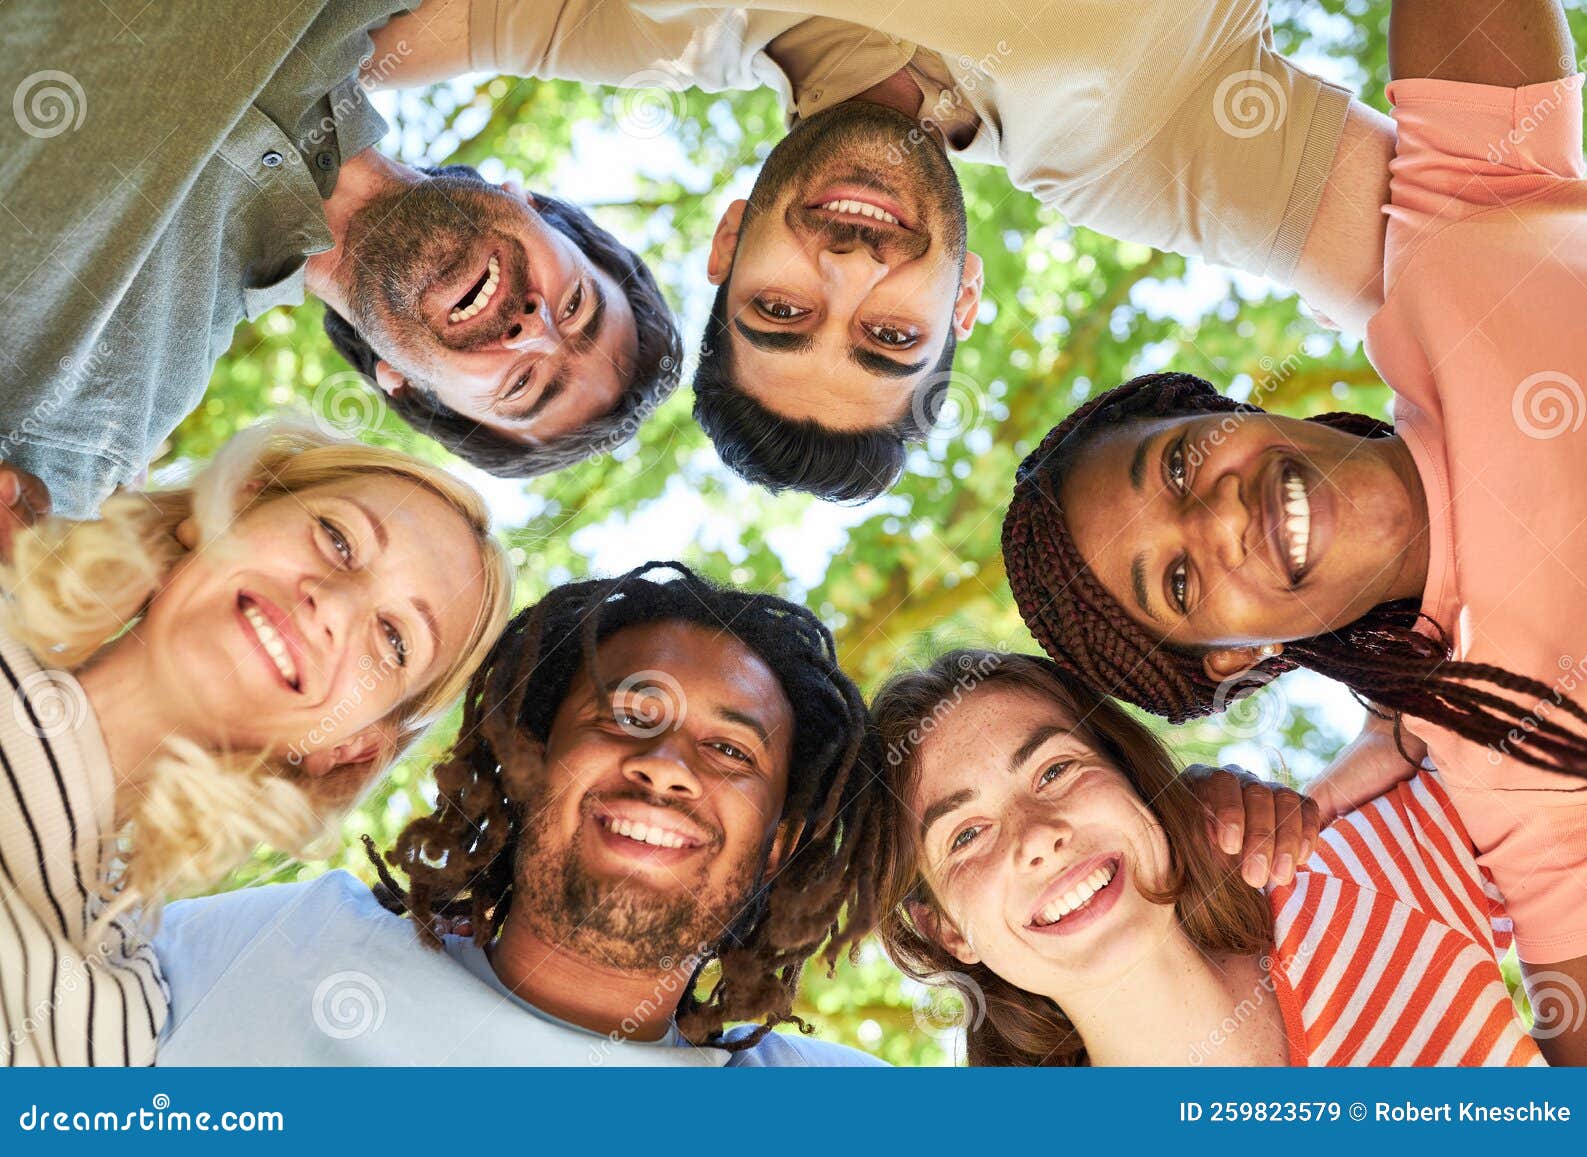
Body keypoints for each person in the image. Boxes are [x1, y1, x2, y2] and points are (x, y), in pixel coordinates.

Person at [1000, 0, 1587, 1063]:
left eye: (1178, 463)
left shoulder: (1445, 254)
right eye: (1178, 583)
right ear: (1239, 656)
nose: (1216, 517)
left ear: (1229, 409)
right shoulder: (1509, 757)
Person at [370, 0, 1395, 501]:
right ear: (963, 302)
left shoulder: (658, 26)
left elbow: (329, 58)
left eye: (782, 311)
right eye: (890, 335)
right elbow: (1435, 267)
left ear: (728, 240)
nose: (852, 268)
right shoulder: (1130, 148)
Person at [152, 563, 883, 1065]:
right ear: (528, 765)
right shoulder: (288, 945)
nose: (665, 764)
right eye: (628, 714)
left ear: (778, 846)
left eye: (729, 749)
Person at [0, 3, 680, 522]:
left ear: (405, 385)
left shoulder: (104, 421)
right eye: (575, 305)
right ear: (529, 203)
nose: (533, 328)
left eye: (523, 384)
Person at [0, 426, 511, 1065]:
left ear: (350, 746)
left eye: (394, 639)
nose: (331, 602)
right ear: (232, 506)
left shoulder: (97, 1028)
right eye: (337, 538)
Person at [867, 650, 1547, 1066]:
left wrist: (1389, 731)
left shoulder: (1359, 883)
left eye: (1055, 770)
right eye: (965, 835)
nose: (1037, 836)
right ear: (947, 930)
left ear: (1133, 781)